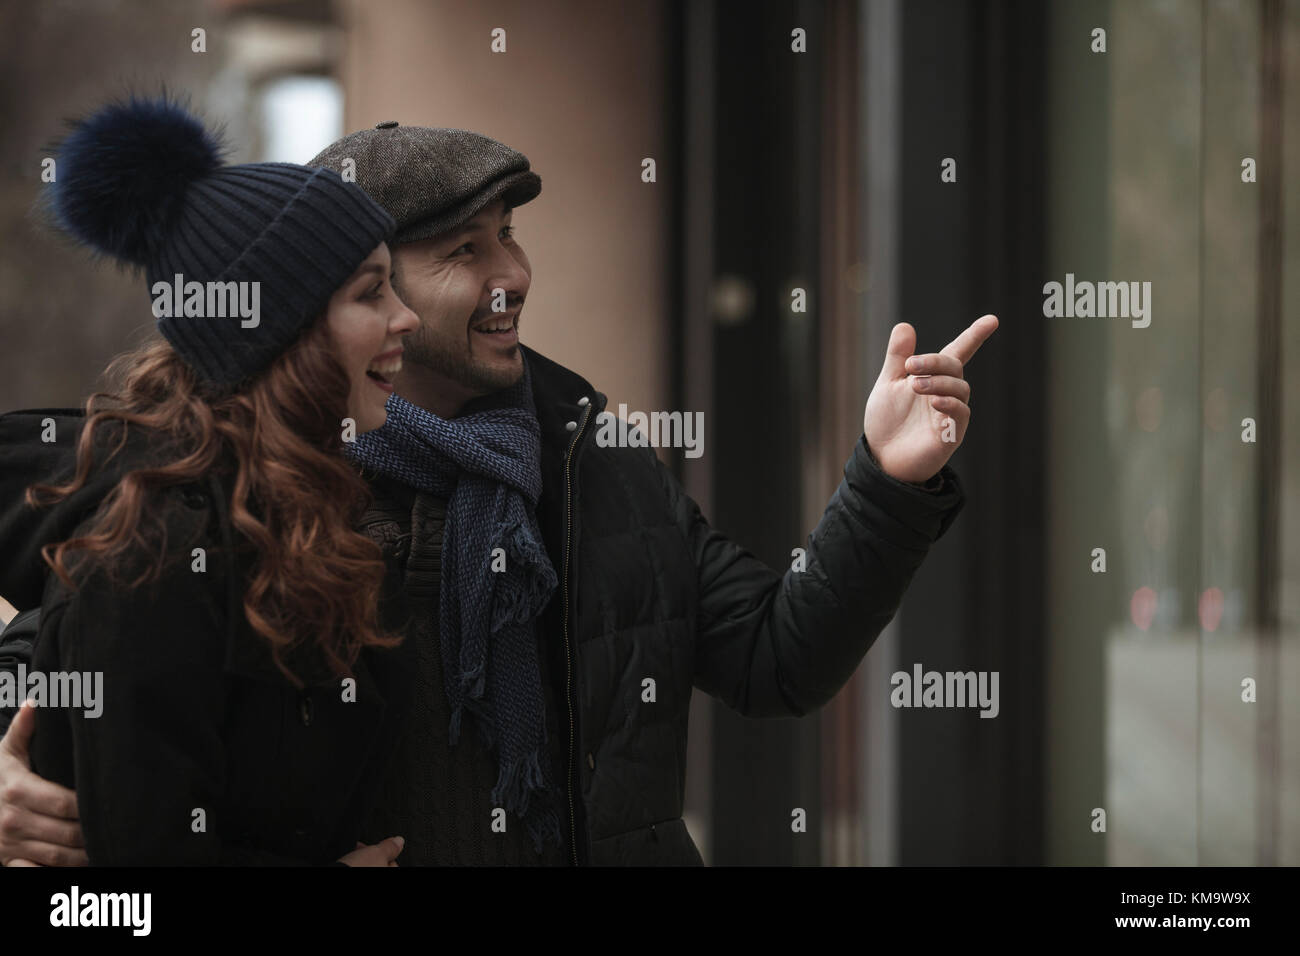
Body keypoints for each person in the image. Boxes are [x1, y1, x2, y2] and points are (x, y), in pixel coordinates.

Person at [0, 119, 996, 866]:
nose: (512, 270)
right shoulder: (258, 494)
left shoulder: (591, 462)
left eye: (508, 234)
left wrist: (884, 480)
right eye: (461, 250)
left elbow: (778, 654)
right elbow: (76, 651)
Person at [0, 97, 420, 865]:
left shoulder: (302, 507)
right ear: (280, 333)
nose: (407, 318)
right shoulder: (156, 551)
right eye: (370, 292)